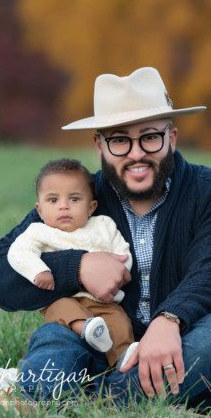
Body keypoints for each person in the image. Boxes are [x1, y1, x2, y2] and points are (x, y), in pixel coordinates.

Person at [0, 67, 211, 405]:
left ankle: (91, 402)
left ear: (172, 137)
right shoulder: (78, 198)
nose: (136, 153)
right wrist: (77, 267)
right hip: (96, 340)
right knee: (55, 339)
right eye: (120, 140)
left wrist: (170, 318)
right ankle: (113, 398)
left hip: (181, 340)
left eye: (150, 137)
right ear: (100, 146)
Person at [7, 158, 137, 370]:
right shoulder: (39, 231)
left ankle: (123, 358)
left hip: (102, 301)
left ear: (91, 207)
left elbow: (121, 250)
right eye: (53, 200)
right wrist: (39, 271)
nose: (64, 206)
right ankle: (86, 328)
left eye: (75, 199)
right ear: (40, 210)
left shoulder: (103, 225)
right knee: (61, 310)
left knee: (120, 322)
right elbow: (18, 252)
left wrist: (119, 272)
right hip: (62, 297)